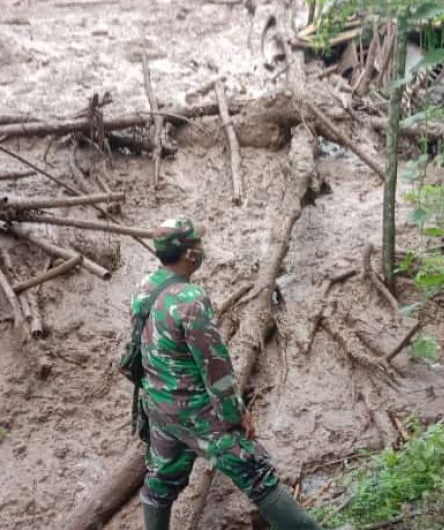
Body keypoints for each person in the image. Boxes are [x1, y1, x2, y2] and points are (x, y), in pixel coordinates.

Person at [132, 219, 321, 530]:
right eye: (200, 245)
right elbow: (215, 369)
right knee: (255, 473)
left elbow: (142, 348)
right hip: (199, 413)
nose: (204, 249)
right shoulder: (190, 301)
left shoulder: (144, 288)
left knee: (161, 481)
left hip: (159, 408)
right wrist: (236, 416)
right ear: (191, 254)